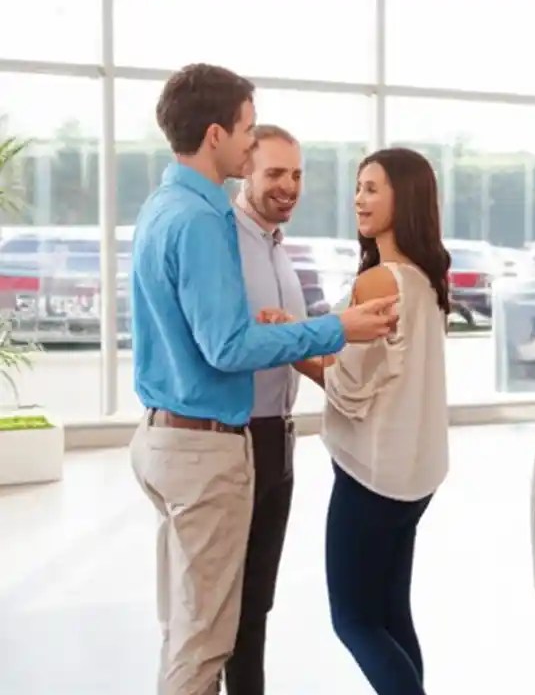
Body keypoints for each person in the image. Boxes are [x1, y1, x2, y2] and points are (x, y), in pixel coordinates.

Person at [128, 63, 400, 695]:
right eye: (249, 134)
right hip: (205, 446)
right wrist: (337, 328)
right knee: (205, 644)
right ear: (217, 133)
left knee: (188, 630)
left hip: (170, 439)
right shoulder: (202, 220)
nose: (253, 148)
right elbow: (228, 346)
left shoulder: (163, 206)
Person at [267, 147, 450, 694]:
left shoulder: (380, 281)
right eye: (358, 187)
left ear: (405, 197)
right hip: (415, 478)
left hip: (372, 475)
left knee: (354, 619)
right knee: (391, 613)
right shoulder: (428, 277)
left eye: (372, 188)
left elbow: (347, 387)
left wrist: (288, 342)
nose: (359, 199)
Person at [222, 124, 309, 695]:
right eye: (275, 173)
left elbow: (291, 342)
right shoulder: (224, 242)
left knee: (257, 602)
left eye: (297, 175)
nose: (289, 186)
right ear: (246, 172)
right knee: (224, 607)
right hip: (236, 438)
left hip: (280, 436)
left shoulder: (277, 248)